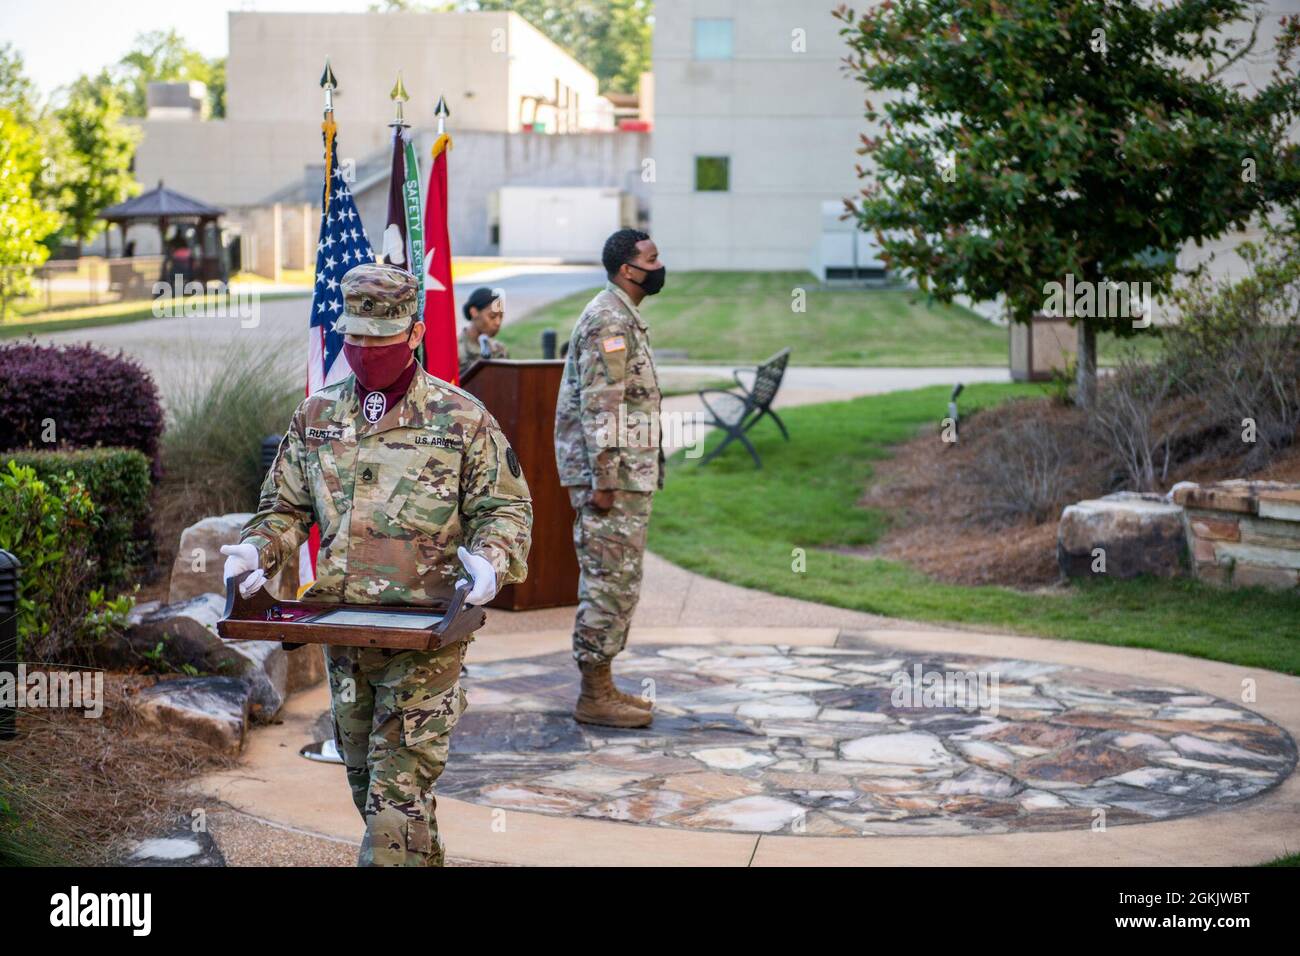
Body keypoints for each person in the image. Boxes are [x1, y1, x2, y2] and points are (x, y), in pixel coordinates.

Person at [221, 262, 532, 866]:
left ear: (414, 333)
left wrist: (491, 563)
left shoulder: (461, 419)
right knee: (377, 795)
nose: (365, 351)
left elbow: (507, 510)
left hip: (426, 643)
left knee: (396, 801)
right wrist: (258, 547)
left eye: (380, 339)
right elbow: (282, 508)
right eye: (354, 338)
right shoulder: (316, 418)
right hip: (343, 633)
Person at [553, 228, 666, 729]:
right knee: (608, 582)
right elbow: (603, 406)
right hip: (612, 481)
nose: (660, 265)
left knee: (619, 582)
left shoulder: (621, 316)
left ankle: (603, 681)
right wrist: (603, 479)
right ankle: (593, 694)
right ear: (628, 268)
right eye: (652, 258)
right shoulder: (608, 321)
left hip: (624, 477)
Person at [458, 286, 509, 377]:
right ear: (474, 312)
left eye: (501, 317)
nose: (497, 323)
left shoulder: (499, 350)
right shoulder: (455, 350)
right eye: (492, 316)